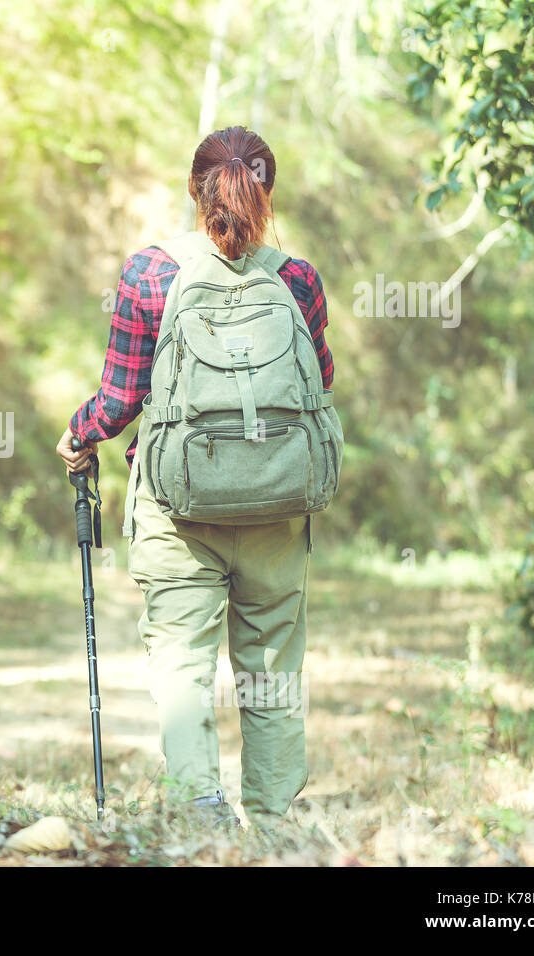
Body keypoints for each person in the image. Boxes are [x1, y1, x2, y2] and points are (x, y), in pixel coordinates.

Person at [56, 126, 334, 829]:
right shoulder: (295, 278)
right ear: (266, 189)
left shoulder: (149, 272)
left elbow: (120, 401)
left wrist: (78, 433)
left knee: (182, 665)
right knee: (271, 668)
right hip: (276, 506)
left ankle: (202, 815)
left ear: (195, 188)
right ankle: (270, 823)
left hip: (178, 508)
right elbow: (319, 382)